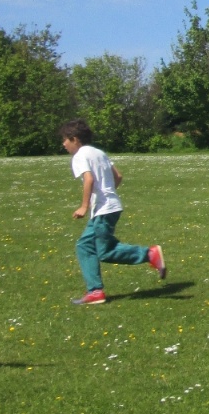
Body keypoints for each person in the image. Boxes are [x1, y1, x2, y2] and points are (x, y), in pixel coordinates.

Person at [61, 120, 165, 306]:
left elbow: (89, 179)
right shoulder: (99, 152)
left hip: (103, 210)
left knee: (105, 251)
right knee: (85, 245)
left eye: (65, 140)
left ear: (74, 139)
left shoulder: (79, 156)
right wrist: (107, 194)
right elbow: (118, 176)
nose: (63, 144)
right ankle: (95, 291)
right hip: (111, 207)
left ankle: (149, 254)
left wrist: (84, 206)